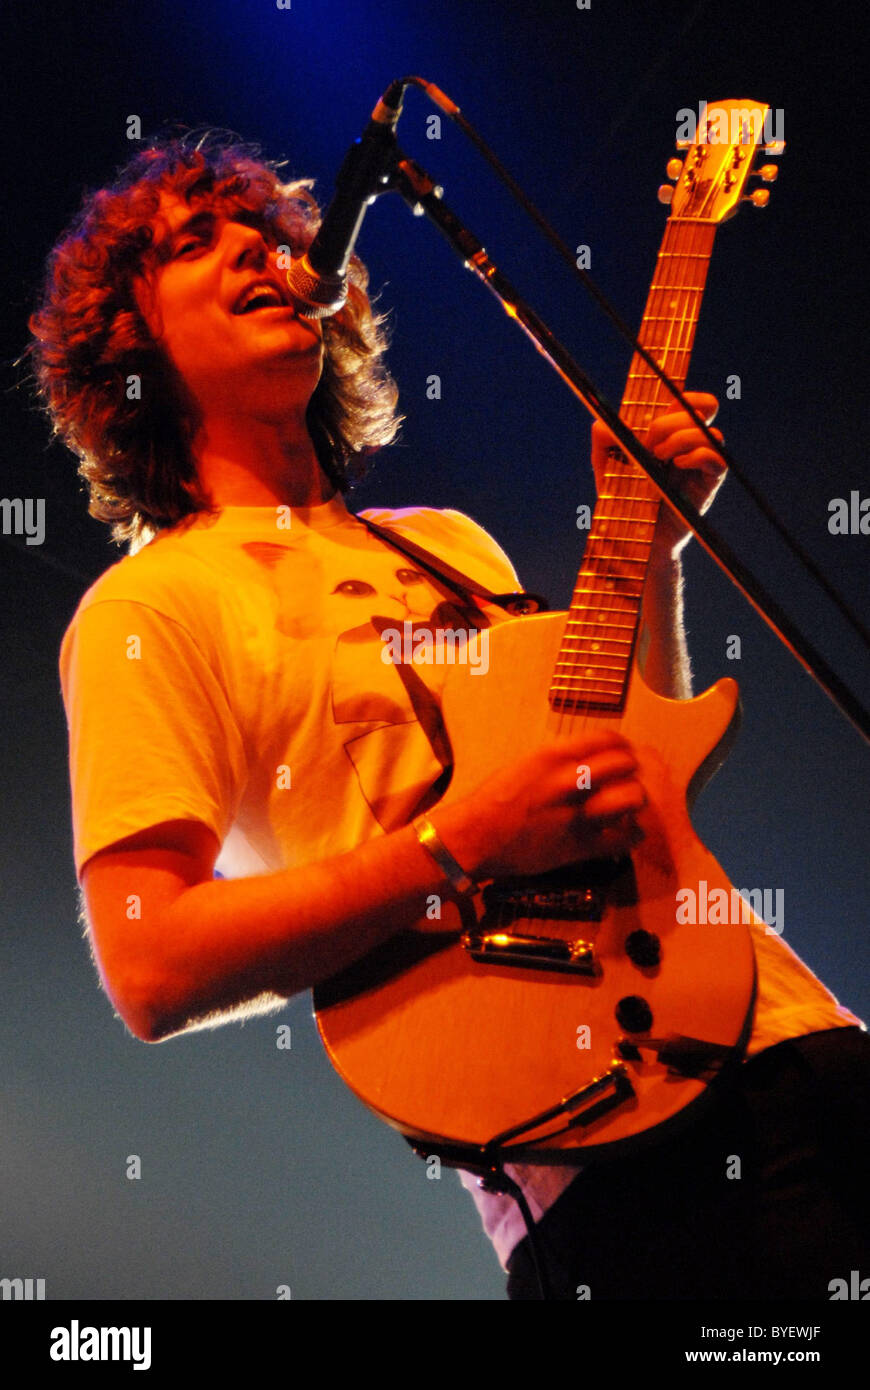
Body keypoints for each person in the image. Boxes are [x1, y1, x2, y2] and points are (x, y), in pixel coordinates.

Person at [29, 132, 867, 1300]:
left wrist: (658, 549)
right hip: (609, 1146)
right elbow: (151, 964)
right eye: (194, 243)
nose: (262, 252)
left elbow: (633, 776)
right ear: (130, 343)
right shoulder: (152, 604)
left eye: (268, 231)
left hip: (801, 1035)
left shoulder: (450, 543)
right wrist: (465, 843)